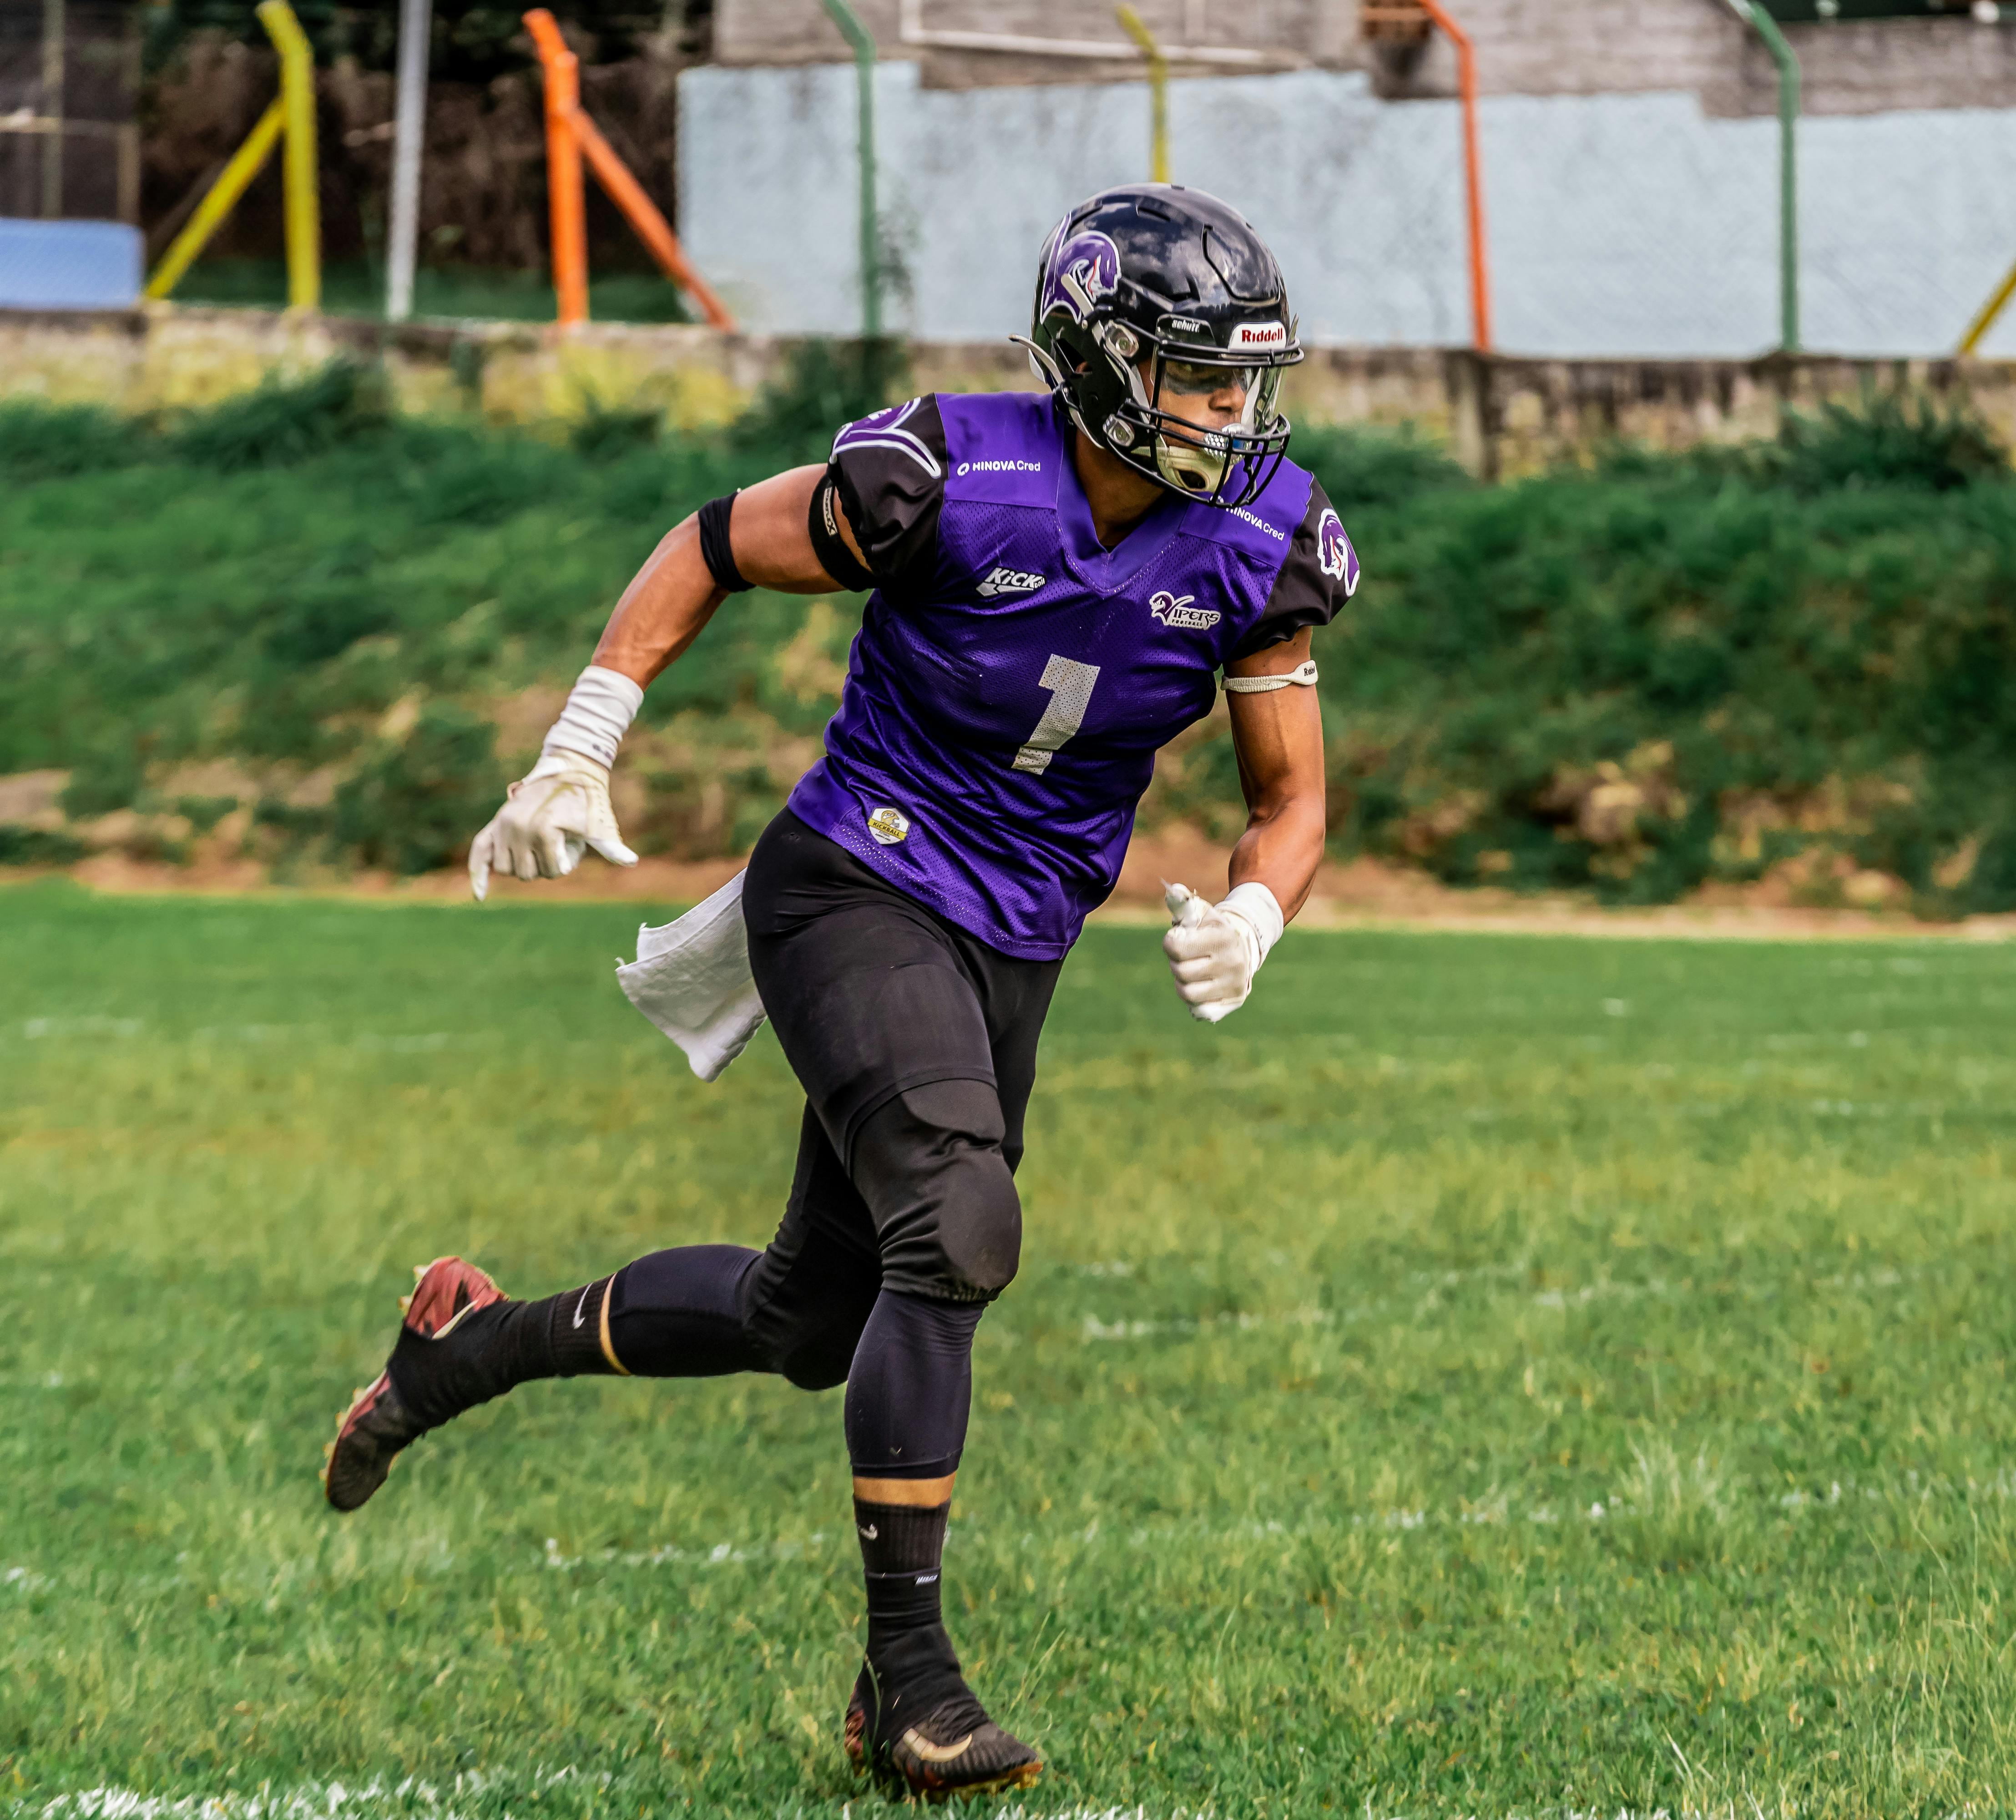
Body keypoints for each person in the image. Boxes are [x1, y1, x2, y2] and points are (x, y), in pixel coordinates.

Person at [316, 184, 1362, 1797]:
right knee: (959, 1225)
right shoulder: (945, 479)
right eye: (1199, 378)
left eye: (1247, 380)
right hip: (858, 881)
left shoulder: (1259, 539)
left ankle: (470, 1345)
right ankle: (912, 1688)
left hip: (1015, 937)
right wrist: (583, 738)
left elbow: (1287, 796)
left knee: (812, 1316)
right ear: (1095, 362)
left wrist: (1262, 914)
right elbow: (708, 543)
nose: (1234, 415)